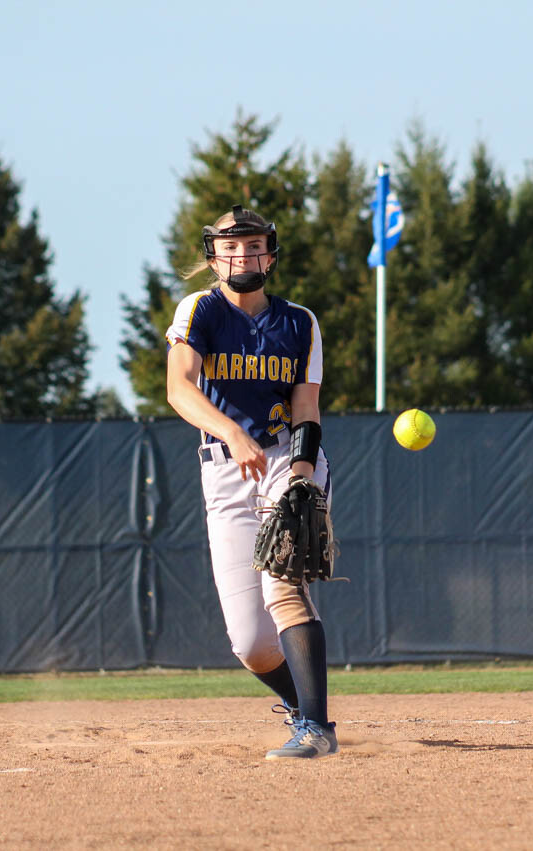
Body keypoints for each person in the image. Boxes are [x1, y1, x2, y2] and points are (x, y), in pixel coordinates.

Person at [165, 205, 337, 759]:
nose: (244, 255)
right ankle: (299, 707)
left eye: (255, 245)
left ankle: (318, 728)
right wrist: (231, 433)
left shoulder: (299, 321)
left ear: (270, 254)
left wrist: (303, 478)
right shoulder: (200, 310)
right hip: (224, 468)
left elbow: (306, 408)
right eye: (232, 246)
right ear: (214, 256)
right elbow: (179, 388)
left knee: (283, 587)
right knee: (251, 643)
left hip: (287, 459)